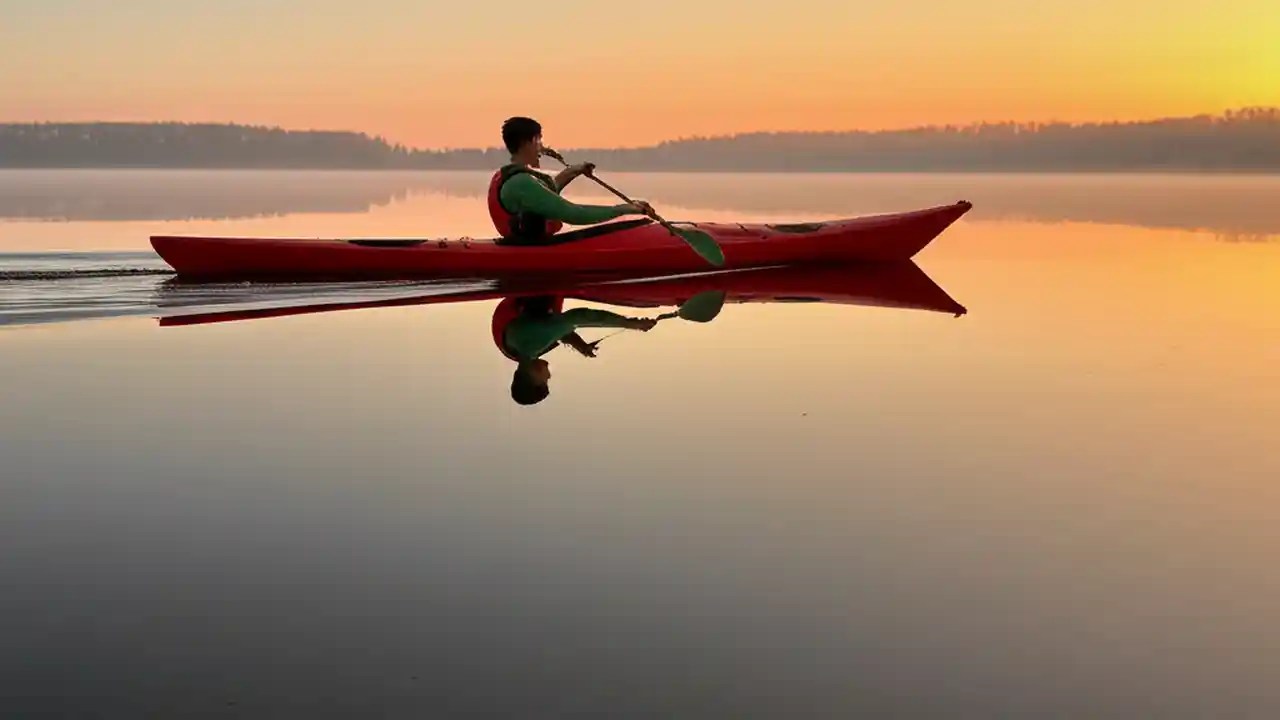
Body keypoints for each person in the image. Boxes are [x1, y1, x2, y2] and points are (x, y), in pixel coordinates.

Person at [488, 116, 654, 245]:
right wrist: (623, 209)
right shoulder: (521, 183)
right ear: (528, 142)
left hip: (528, 244)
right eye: (539, 140)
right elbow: (574, 213)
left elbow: (546, 192)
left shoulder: (516, 177)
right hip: (529, 251)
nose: (542, 148)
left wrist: (573, 171)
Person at [491, 295, 658, 405]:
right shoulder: (520, 349)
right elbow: (550, 328)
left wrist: (630, 324)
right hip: (529, 301)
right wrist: (580, 345)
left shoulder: (530, 345)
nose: (548, 375)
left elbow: (578, 317)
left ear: (532, 378)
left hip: (538, 288)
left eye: (545, 380)